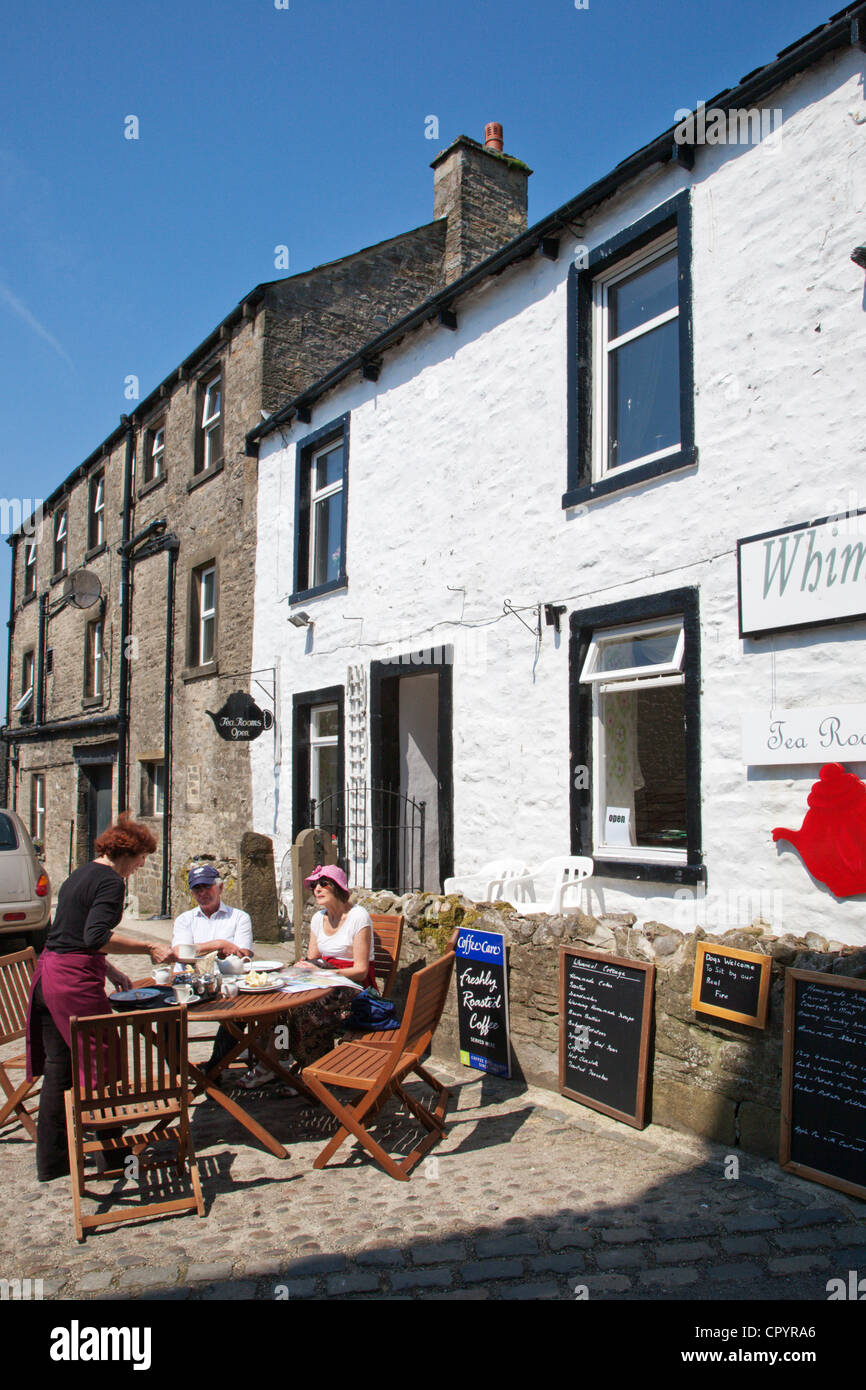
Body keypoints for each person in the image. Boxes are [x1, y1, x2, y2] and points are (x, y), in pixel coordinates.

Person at [26, 813, 173, 1183]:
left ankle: (54, 1163)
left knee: (60, 1072)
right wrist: (148, 946)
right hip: (71, 984)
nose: (141, 865)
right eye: (142, 858)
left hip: (48, 976)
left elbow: (69, 931)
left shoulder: (82, 873)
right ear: (130, 852)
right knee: (103, 1064)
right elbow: (94, 936)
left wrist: (108, 969)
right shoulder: (111, 881)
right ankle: (116, 1157)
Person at [240, 864, 374, 1088]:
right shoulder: (317, 918)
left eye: (323, 884)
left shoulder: (358, 916)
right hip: (325, 982)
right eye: (314, 885)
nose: (317, 889)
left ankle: (309, 1072)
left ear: (339, 888)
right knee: (280, 1006)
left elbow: (361, 970)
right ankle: (276, 1061)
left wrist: (324, 971)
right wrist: (304, 967)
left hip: (354, 988)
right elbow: (313, 959)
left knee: (306, 1010)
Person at [173, 862, 253, 1077]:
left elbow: (242, 953)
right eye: (197, 889)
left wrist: (198, 949)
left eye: (207, 887)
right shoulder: (185, 920)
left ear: (220, 887)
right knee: (167, 1017)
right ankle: (181, 1070)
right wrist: (218, 944)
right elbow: (179, 953)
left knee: (240, 1015)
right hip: (190, 984)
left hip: (227, 983)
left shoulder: (239, 917)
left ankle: (213, 1069)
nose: (203, 893)